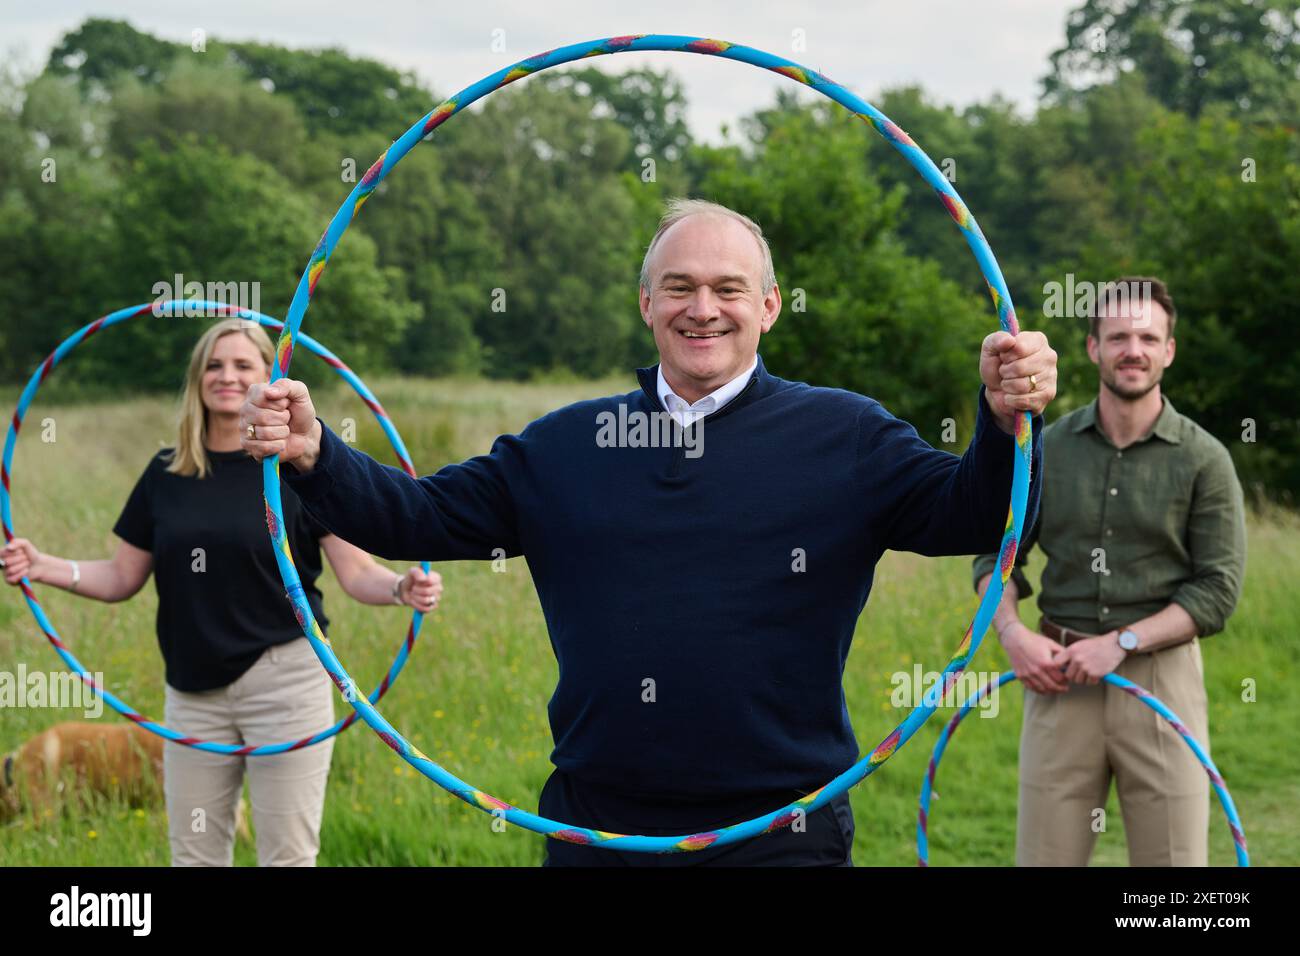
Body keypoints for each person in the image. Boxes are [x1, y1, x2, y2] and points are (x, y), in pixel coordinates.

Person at [242, 197, 1056, 867]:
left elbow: (977, 515)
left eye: (729, 289)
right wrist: (317, 453)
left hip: (785, 828)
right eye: (679, 287)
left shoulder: (845, 436)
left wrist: (1004, 420)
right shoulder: (564, 446)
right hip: (601, 823)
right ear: (646, 304)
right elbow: (418, 515)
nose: (703, 309)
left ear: (769, 307)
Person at [2, 317, 443, 866]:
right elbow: (120, 577)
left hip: (286, 684)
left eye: (243, 366)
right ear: (197, 380)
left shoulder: (297, 467)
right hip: (191, 694)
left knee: (287, 858)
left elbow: (357, 575)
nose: (227, 377)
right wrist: (44, 566)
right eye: (214, 365)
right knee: (195, 858)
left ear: (269, 380)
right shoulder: (166, 472)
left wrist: (403, 587)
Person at [972, 277, 1246, 866]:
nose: (1134, 349)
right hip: (1058, 680)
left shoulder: (1206, 460)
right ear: (1094, 347)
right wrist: (1012, 634)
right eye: (1118, 336)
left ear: (1168, 350)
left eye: (1149, 336)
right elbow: (996, 556)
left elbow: (1217, 591)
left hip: (1160, 680)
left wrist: (1121, 643)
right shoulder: (1044, 447)